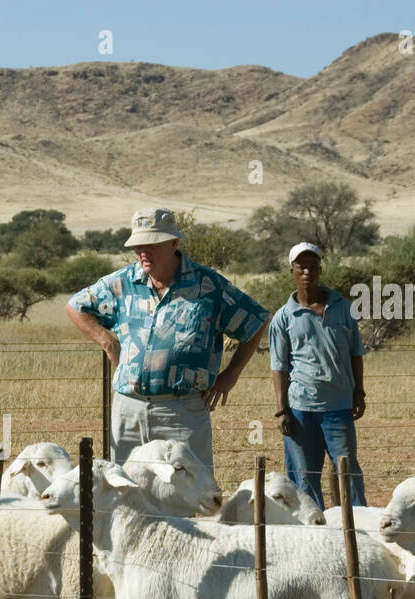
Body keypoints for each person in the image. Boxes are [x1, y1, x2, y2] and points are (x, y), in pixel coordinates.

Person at [66, 207, 270, 470]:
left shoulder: (208, 286)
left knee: (187, 494)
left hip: (183, 412)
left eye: (152, 244)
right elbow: (75, 306)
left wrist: (231, 375)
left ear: (174, 243)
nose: (143, 252)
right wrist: (106, 341)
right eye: (138, 245)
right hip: (129, 409)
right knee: (129, 491)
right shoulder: (122, 283)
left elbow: (255, 321)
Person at [269, 241, 367, 508]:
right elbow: (279, 367)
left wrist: (359, 391)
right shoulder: (284, 317)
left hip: (339, 405)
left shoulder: (343, 308)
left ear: (320, 269)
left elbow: (355, 353)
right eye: (301, 267)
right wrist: (282, 411)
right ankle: (314, 533)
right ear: (291, 270)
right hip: (300, 407)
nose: (307, 272)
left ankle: (358, 529)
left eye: (313, 267)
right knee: (304, 477)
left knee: (348, 472)